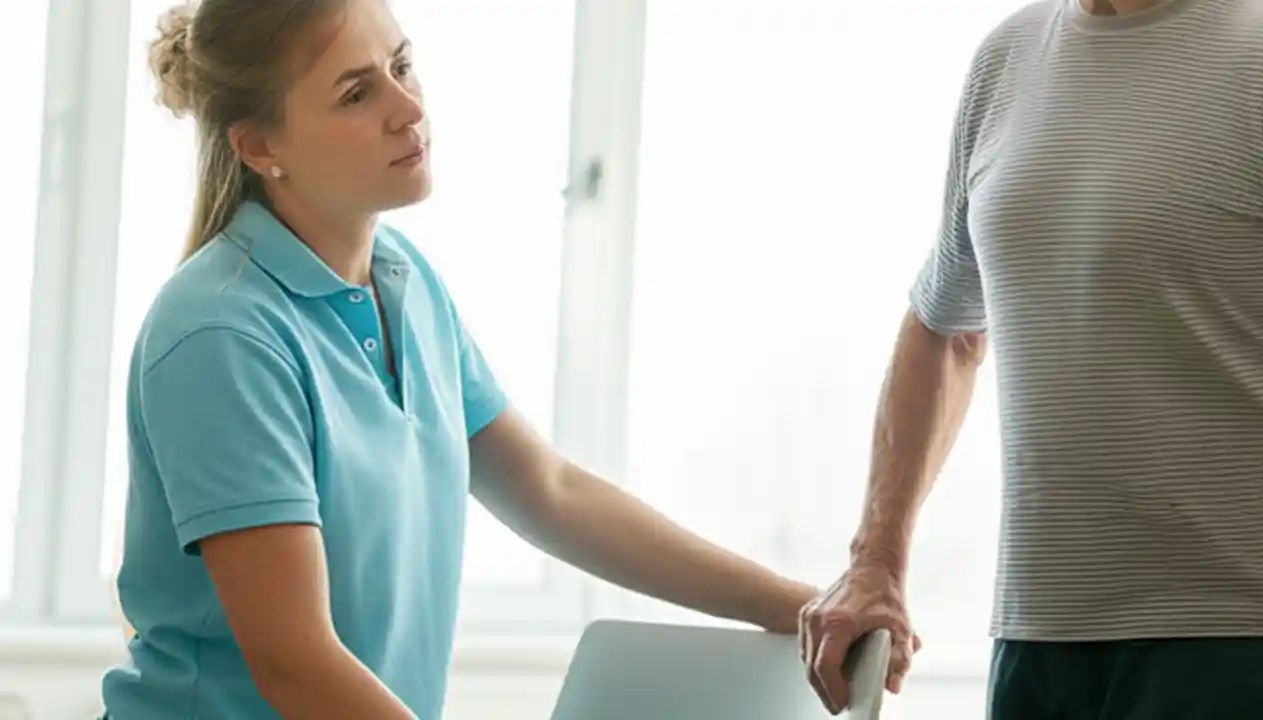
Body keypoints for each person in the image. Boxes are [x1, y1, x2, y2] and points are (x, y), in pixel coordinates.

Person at [100, 1, 817, 718]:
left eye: (403, 66)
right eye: (358, 93)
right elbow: (296, 664)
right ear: (259, 147)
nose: (408, 108)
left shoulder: (402, 280)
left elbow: (551, 491)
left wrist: (793, 607)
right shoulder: (221, 335)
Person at [800, 0, 1263, 717]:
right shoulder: (1007, 59)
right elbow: (948, 328)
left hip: (1241, 635)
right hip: (1040, 642)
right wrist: (875, 562)